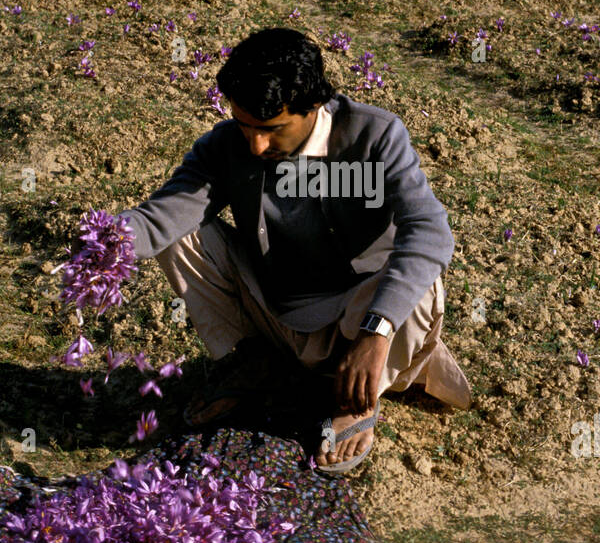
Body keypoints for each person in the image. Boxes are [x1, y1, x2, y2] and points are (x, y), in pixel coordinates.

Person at [115, 27, 470, 475]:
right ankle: (256, 365)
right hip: (276, 312)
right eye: (245, 126)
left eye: (271, 129)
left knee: (421, 282)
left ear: (313, 106)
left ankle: (360, 400)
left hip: (357, 318)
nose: (256, 145)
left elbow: (431, 233)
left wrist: (376, 331)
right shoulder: (226, 147)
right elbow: (160, 217)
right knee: (180, 234)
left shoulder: (373, 137)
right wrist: (107, 240)